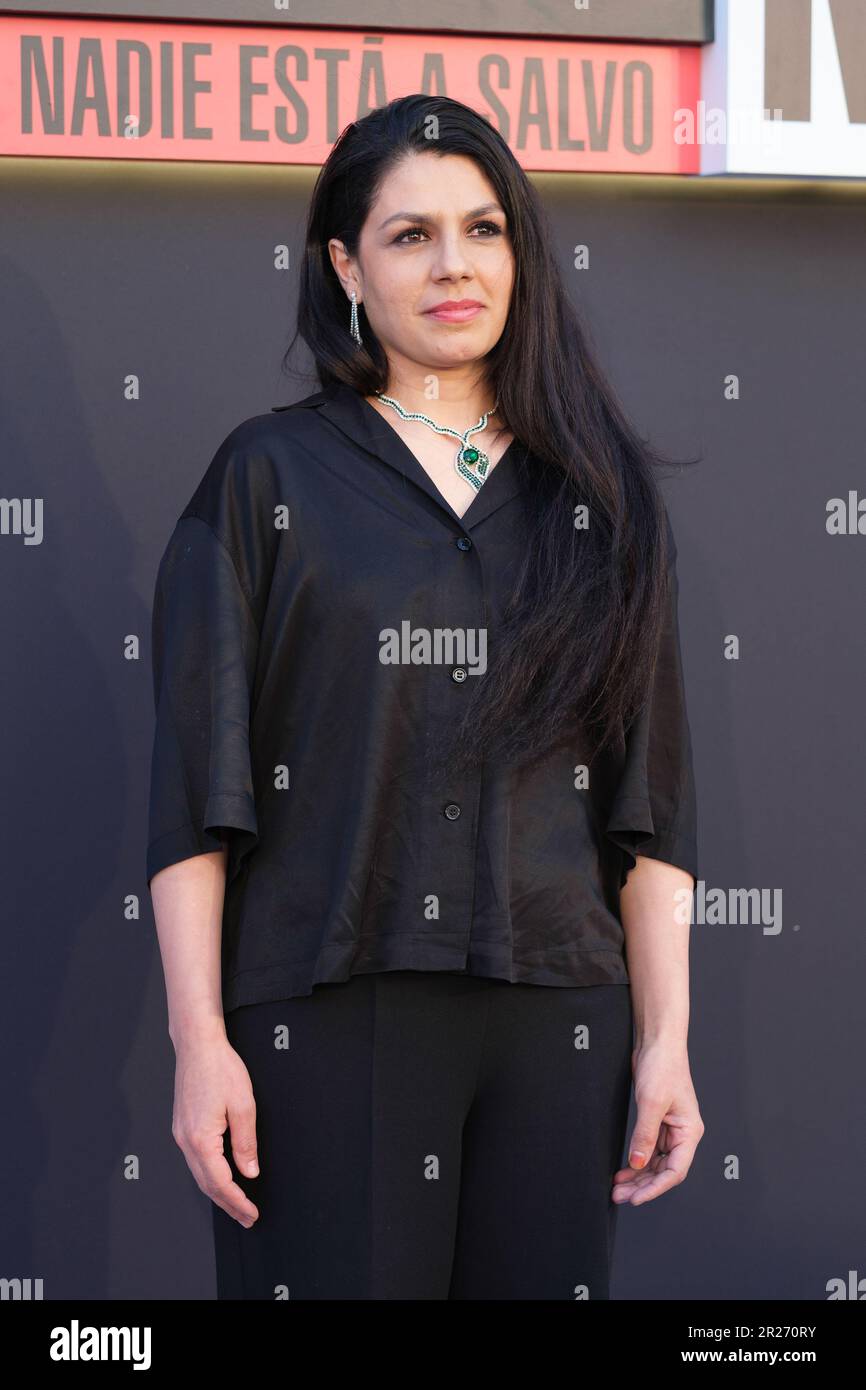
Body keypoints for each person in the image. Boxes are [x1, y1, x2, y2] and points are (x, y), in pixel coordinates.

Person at [147, 94, 703, 1301]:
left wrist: (663, 1041)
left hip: (557, 1015)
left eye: (482, 228)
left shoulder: (599, 496)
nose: (454, 264)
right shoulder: (265, 477)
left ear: (519, 253)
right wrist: (200, 1041)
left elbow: (648, 807)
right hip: (325, 1012)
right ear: (346, 264)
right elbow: (197, 797)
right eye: (409, 235)